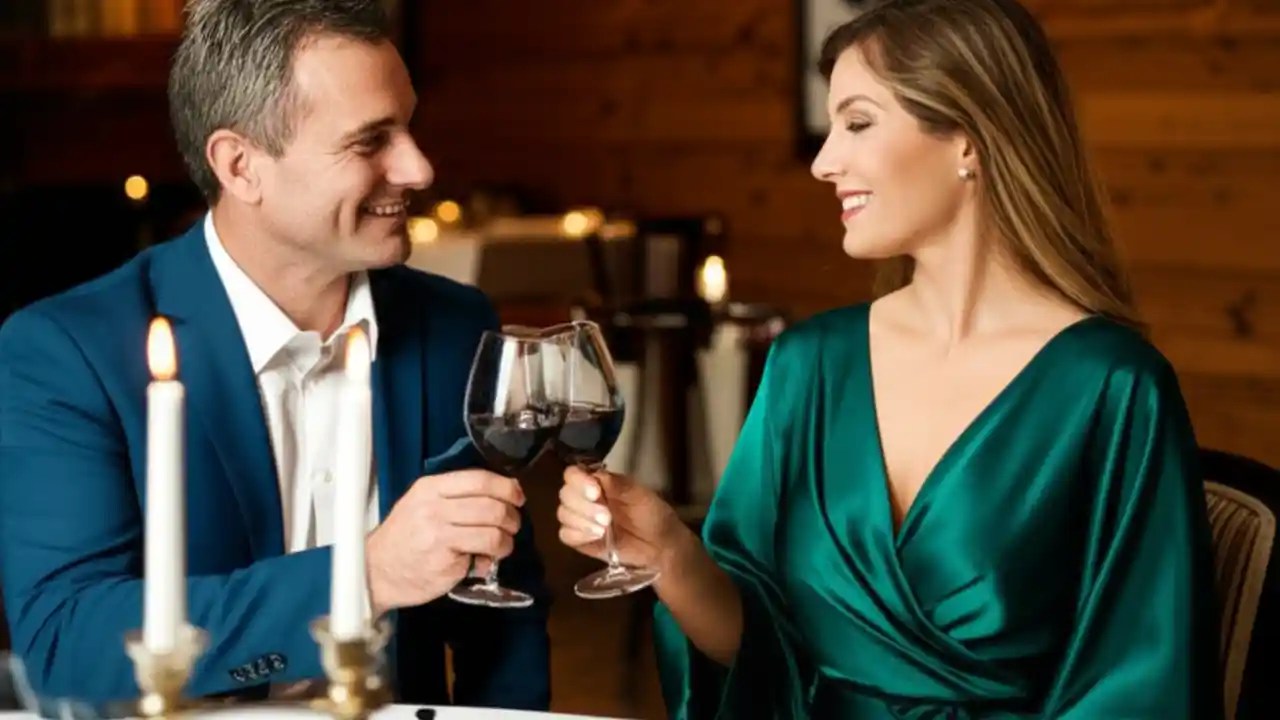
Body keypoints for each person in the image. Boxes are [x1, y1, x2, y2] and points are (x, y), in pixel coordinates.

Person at [557, 0, 1222, 717]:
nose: (823, 162)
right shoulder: (809, 366)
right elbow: (762, 663)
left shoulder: (1111, 388)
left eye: (858, 122)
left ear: (967, 138)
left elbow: (1140, 689)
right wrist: (671, 556)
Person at [0, 0, 549, 710]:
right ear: (240, 165)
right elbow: (66, 644)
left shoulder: (454, 326)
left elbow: (504, 611)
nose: (417, 166)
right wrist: (365, 576)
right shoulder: (68, 352)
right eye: (369, 141)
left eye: (410, 127)